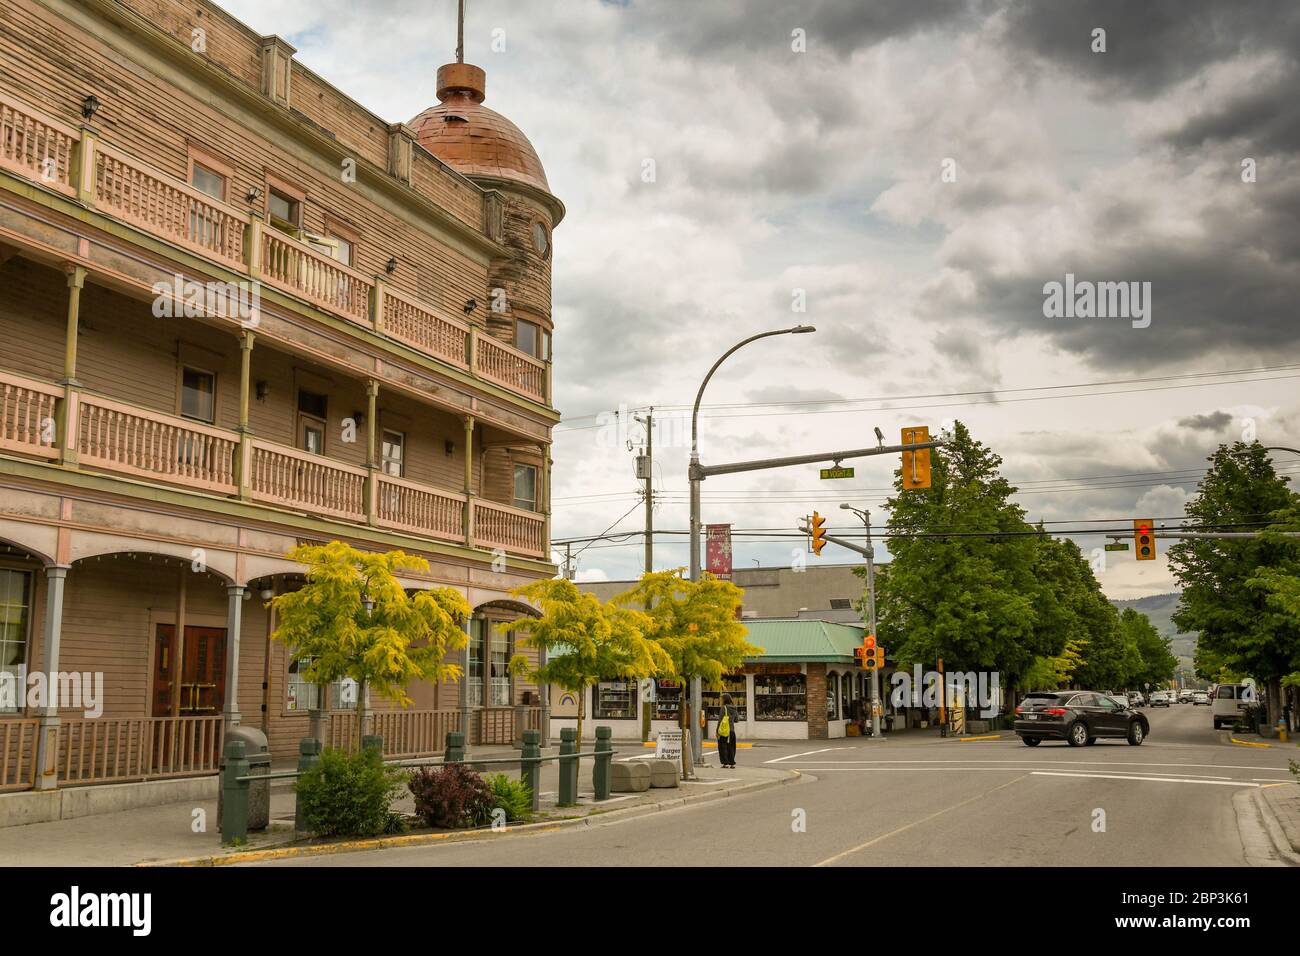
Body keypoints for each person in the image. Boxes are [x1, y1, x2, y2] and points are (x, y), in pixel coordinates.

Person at [717, 693, 739, 768]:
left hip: (724, 731)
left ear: (724, 700)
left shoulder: (724, 708)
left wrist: (717, 731)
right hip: (732, 731)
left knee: (723, 747)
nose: (720, 700)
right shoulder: (734, 708)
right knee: (731, 747)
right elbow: (737, 720)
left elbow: (720, 720)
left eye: (721, 699)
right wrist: (731, 719)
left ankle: (725, 763)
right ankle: (732, 763)